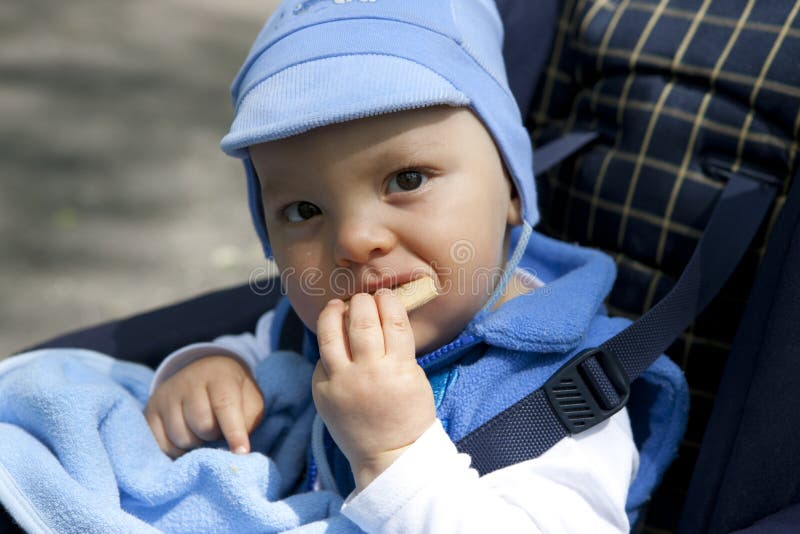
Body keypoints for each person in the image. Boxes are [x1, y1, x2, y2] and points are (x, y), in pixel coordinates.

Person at [144, 0, 686, 531]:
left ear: (513, 189)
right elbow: (263, 346)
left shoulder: (559, 396)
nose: (355, 240)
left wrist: (395, 452)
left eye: (407, 180)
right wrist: (213, 369)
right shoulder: (312, 323)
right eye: (304, 210)